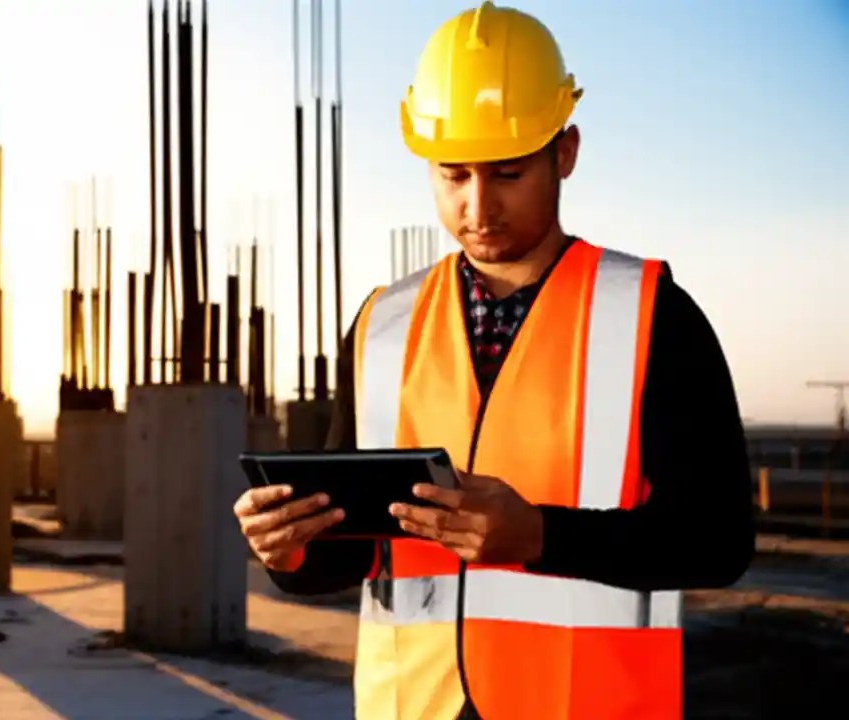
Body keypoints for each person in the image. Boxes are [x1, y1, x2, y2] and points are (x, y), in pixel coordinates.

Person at [231, 2, 756, 718]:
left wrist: (540, 535)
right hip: (412, 706)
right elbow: (361, 547)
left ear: (564, 153)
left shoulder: (654, 316)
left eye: (507, 173)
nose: (478, 206)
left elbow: (718, 541)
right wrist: (289, 553)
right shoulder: (384, 324)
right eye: (453, 175)